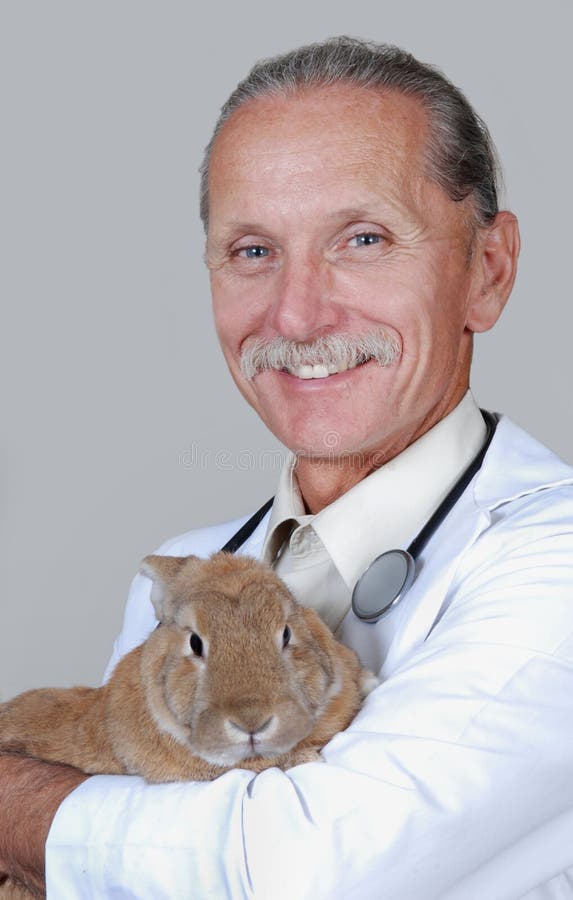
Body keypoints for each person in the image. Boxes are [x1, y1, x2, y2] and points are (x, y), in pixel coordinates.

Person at [2, 35, 573, 899]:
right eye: (253, 252)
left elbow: (297, 872)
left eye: (364, 238)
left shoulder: (550, 561)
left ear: (486, 273)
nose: (298, 316)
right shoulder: (184, 574)